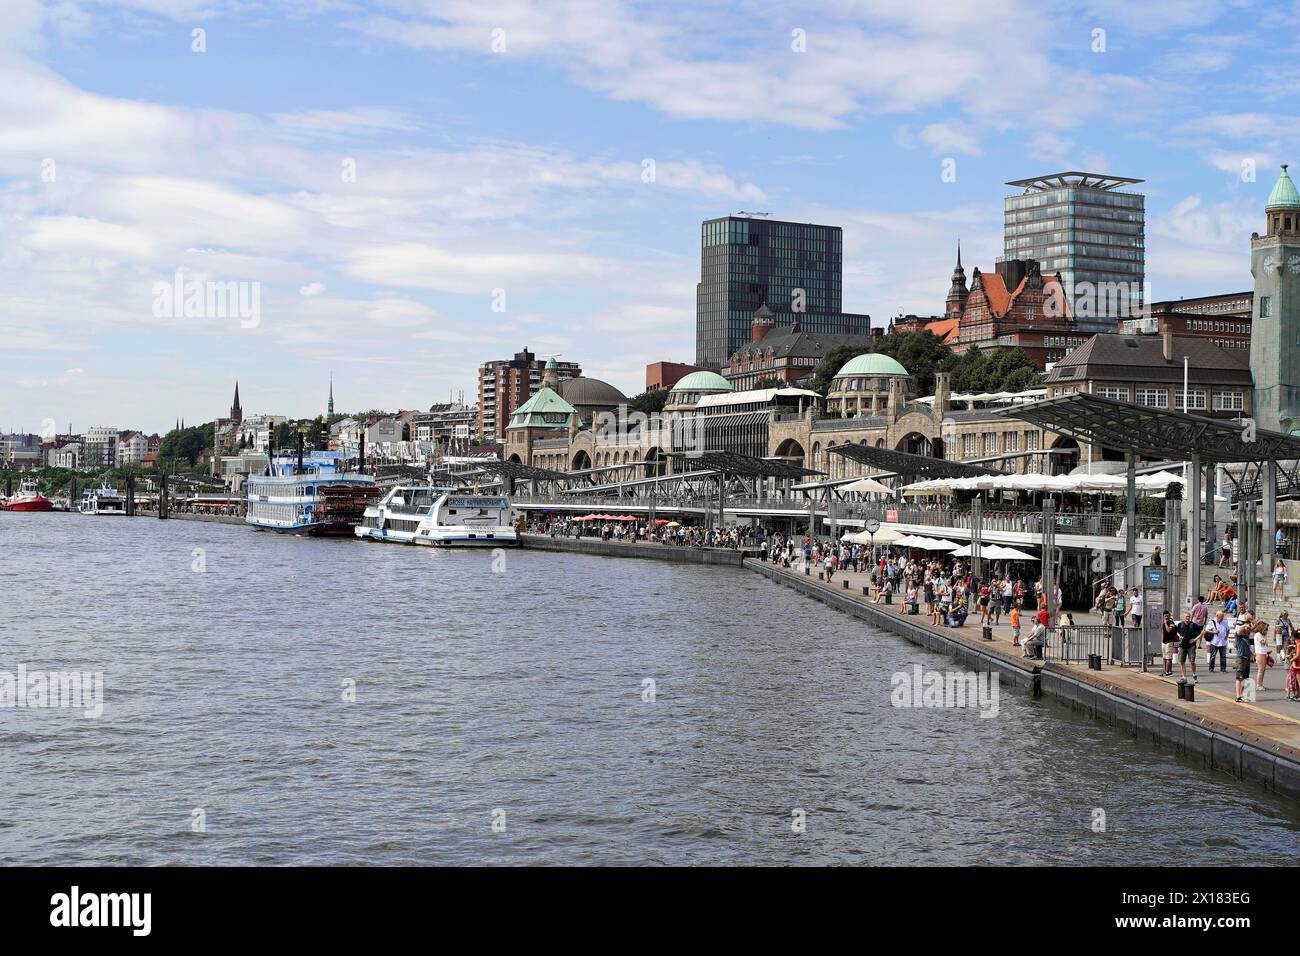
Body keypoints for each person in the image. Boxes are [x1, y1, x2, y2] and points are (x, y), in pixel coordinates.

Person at [1176, 611, 1200, 684]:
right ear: (1183, 618)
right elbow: (1176, 632)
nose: (1187, 618)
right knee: (1182, 661)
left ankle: (1194, 674)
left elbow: (1202, 632)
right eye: (1186, 617)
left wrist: (1195, 639)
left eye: (1189, 617)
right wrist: (1179, 636)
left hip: (1191, 646)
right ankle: (1184, 677)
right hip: (1182, 645)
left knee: (1192, 661)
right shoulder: (1180, 625)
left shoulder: (1194, 625)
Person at [1234, 615, 1254, 703]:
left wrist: (1251, 654)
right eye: (1247, 629)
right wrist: (1245, 625)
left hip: (1246, 658)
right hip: (1241, 658)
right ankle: (1238, 696)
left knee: (1245, 678)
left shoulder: (1246, 637)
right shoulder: (1239, 635)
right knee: (1239, 678)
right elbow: (1239, 630)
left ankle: (1242, 695)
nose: (1248, 630)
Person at [1160, 611, 1178, 678]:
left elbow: (1168, 630)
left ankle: (1168, 672)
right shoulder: (1164, 623)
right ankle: (1166, 671)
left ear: (1169, 616)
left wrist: (1165, 623)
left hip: (1169, 642)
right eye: (1165, 616)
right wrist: (1161, 641)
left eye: (1167, 616)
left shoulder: (1171, 623)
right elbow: (1163, 632)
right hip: (1164, 642)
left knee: (1168, 658)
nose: (1166, 617)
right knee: (1165, 657)